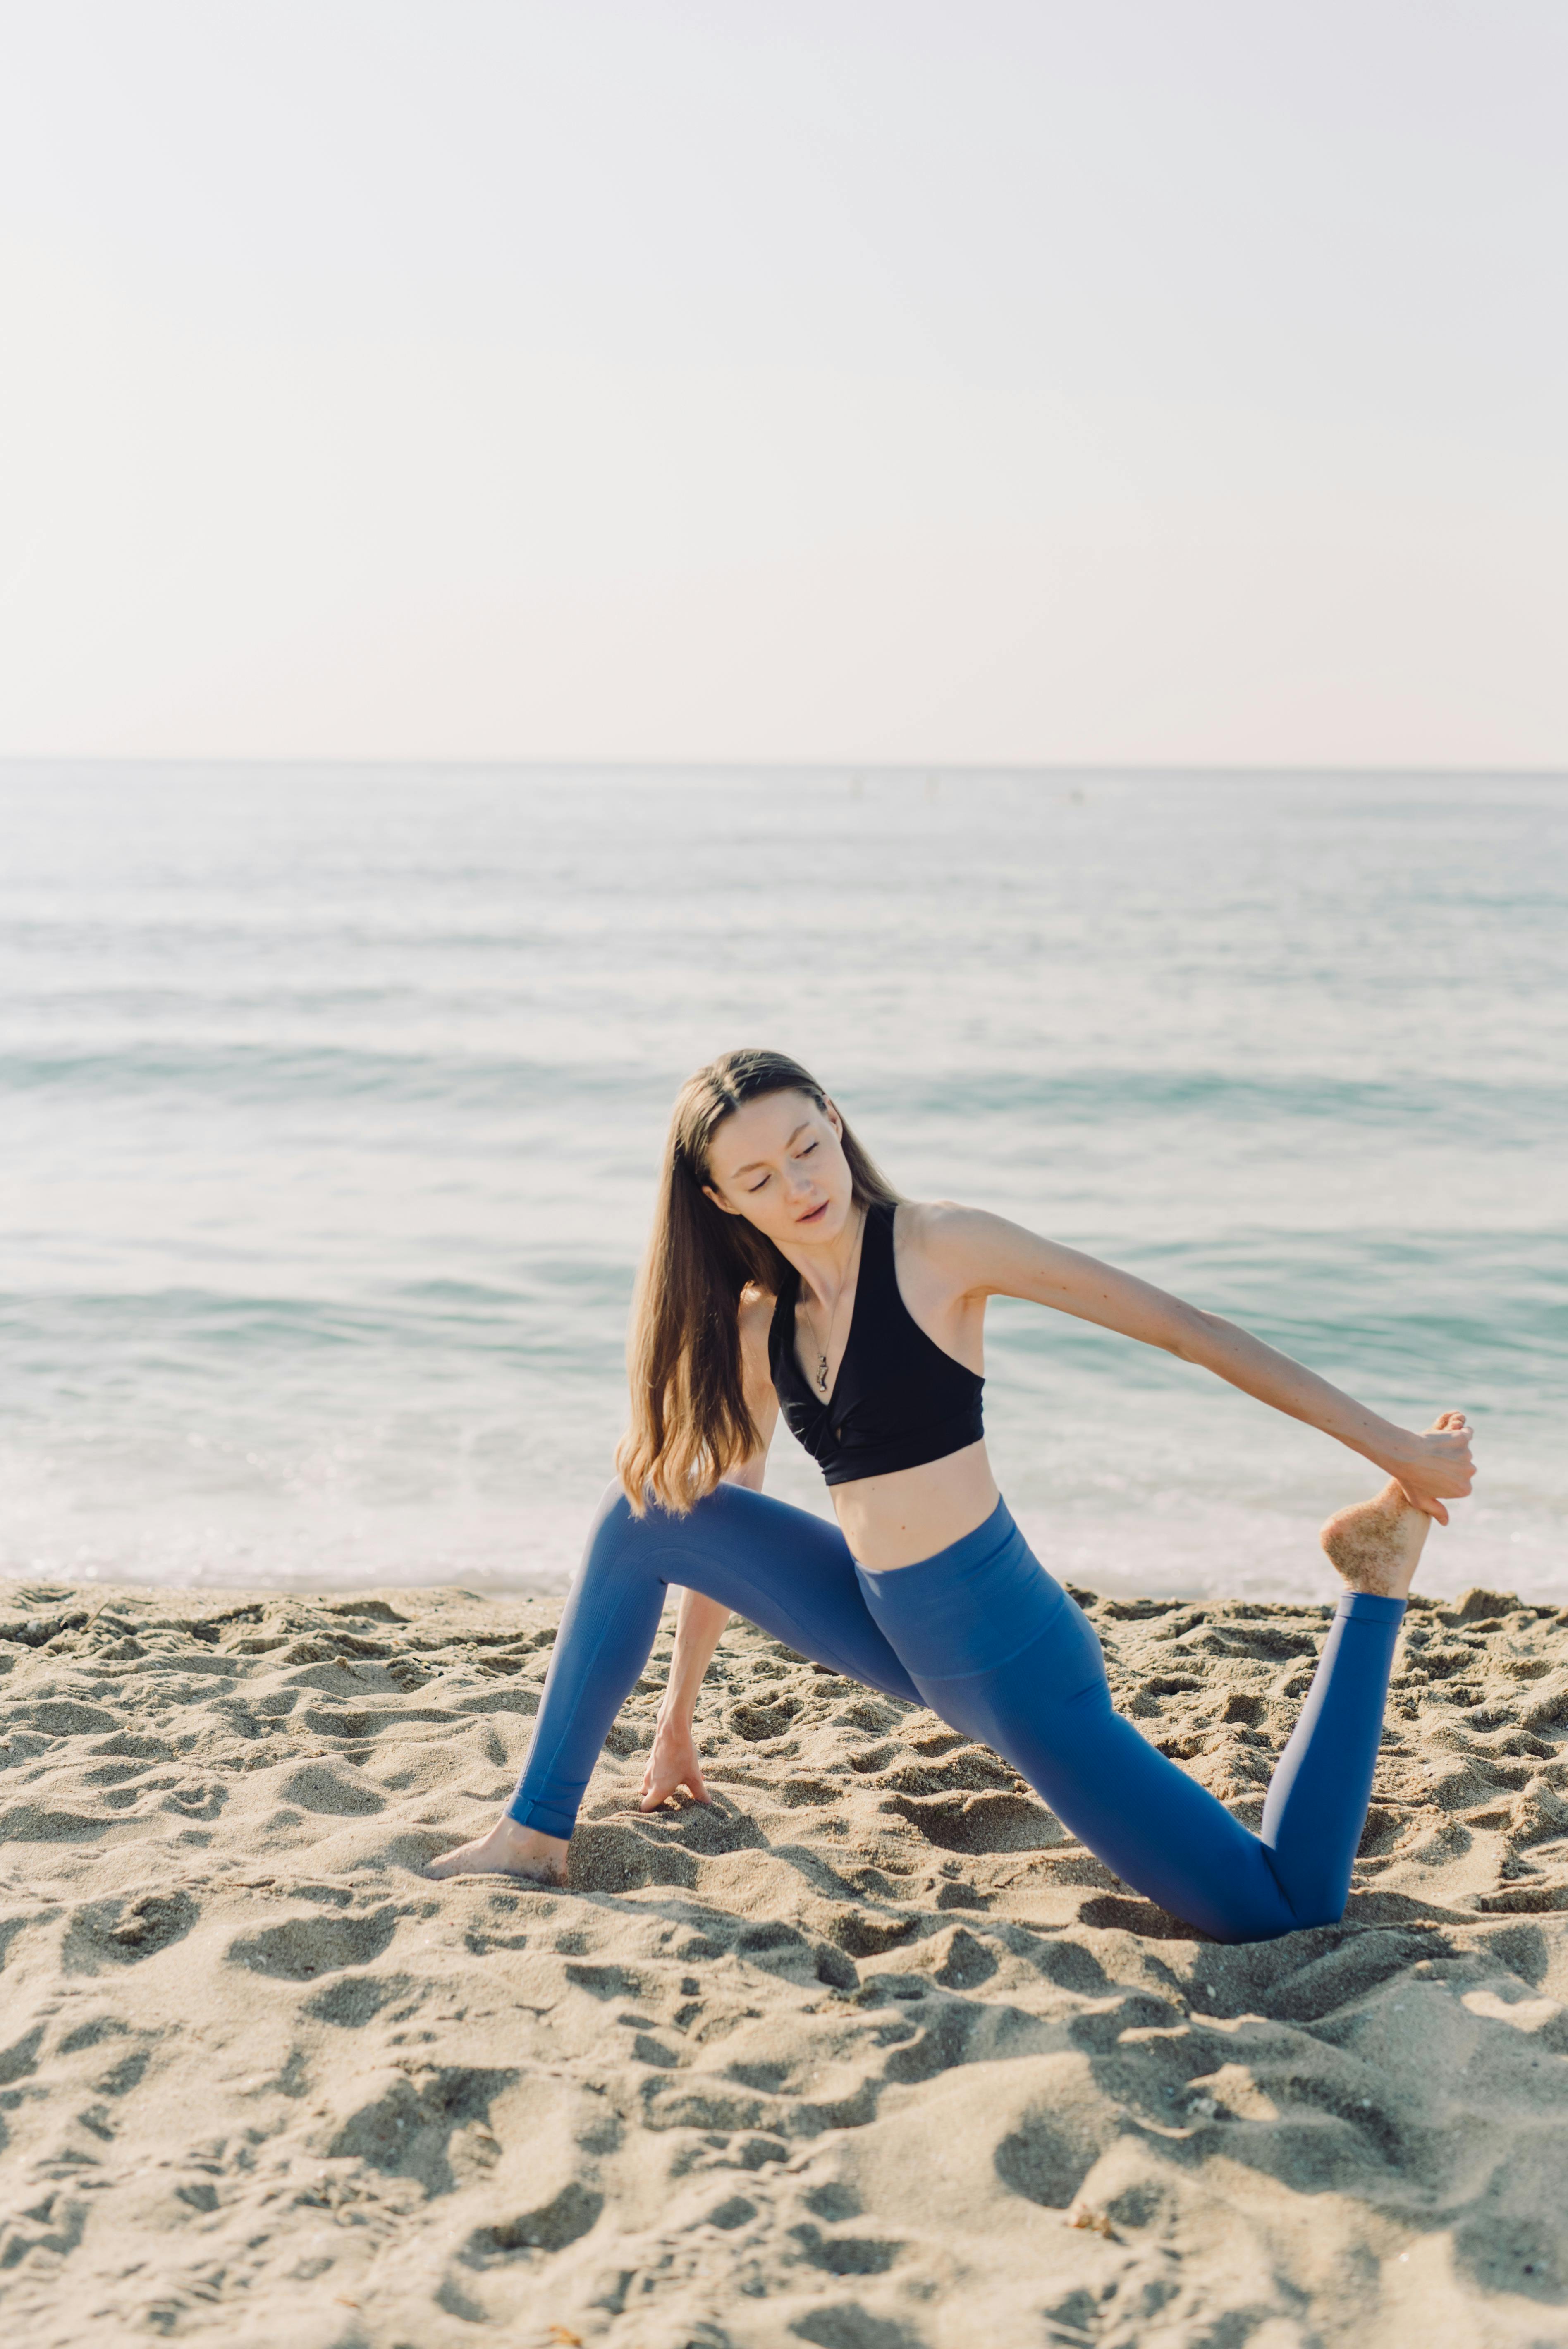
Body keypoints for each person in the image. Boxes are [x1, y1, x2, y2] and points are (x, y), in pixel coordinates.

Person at [430, 1049, 1475, 1943]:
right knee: (646, 1510)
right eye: (757, 1175)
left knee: (1280, 1911)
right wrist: (677, 1718)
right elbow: (727, 1512)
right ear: (720, 1201)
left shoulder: (939, 1247)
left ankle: (1373, 1585)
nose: (798, 1183)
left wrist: (1392, 1446)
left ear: (835, 1121)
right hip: (890, 1631)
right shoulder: (764, 1322)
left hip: (1019, 1670)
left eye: (806, 1144)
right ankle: (534, 1829)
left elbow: (1185, 1328)